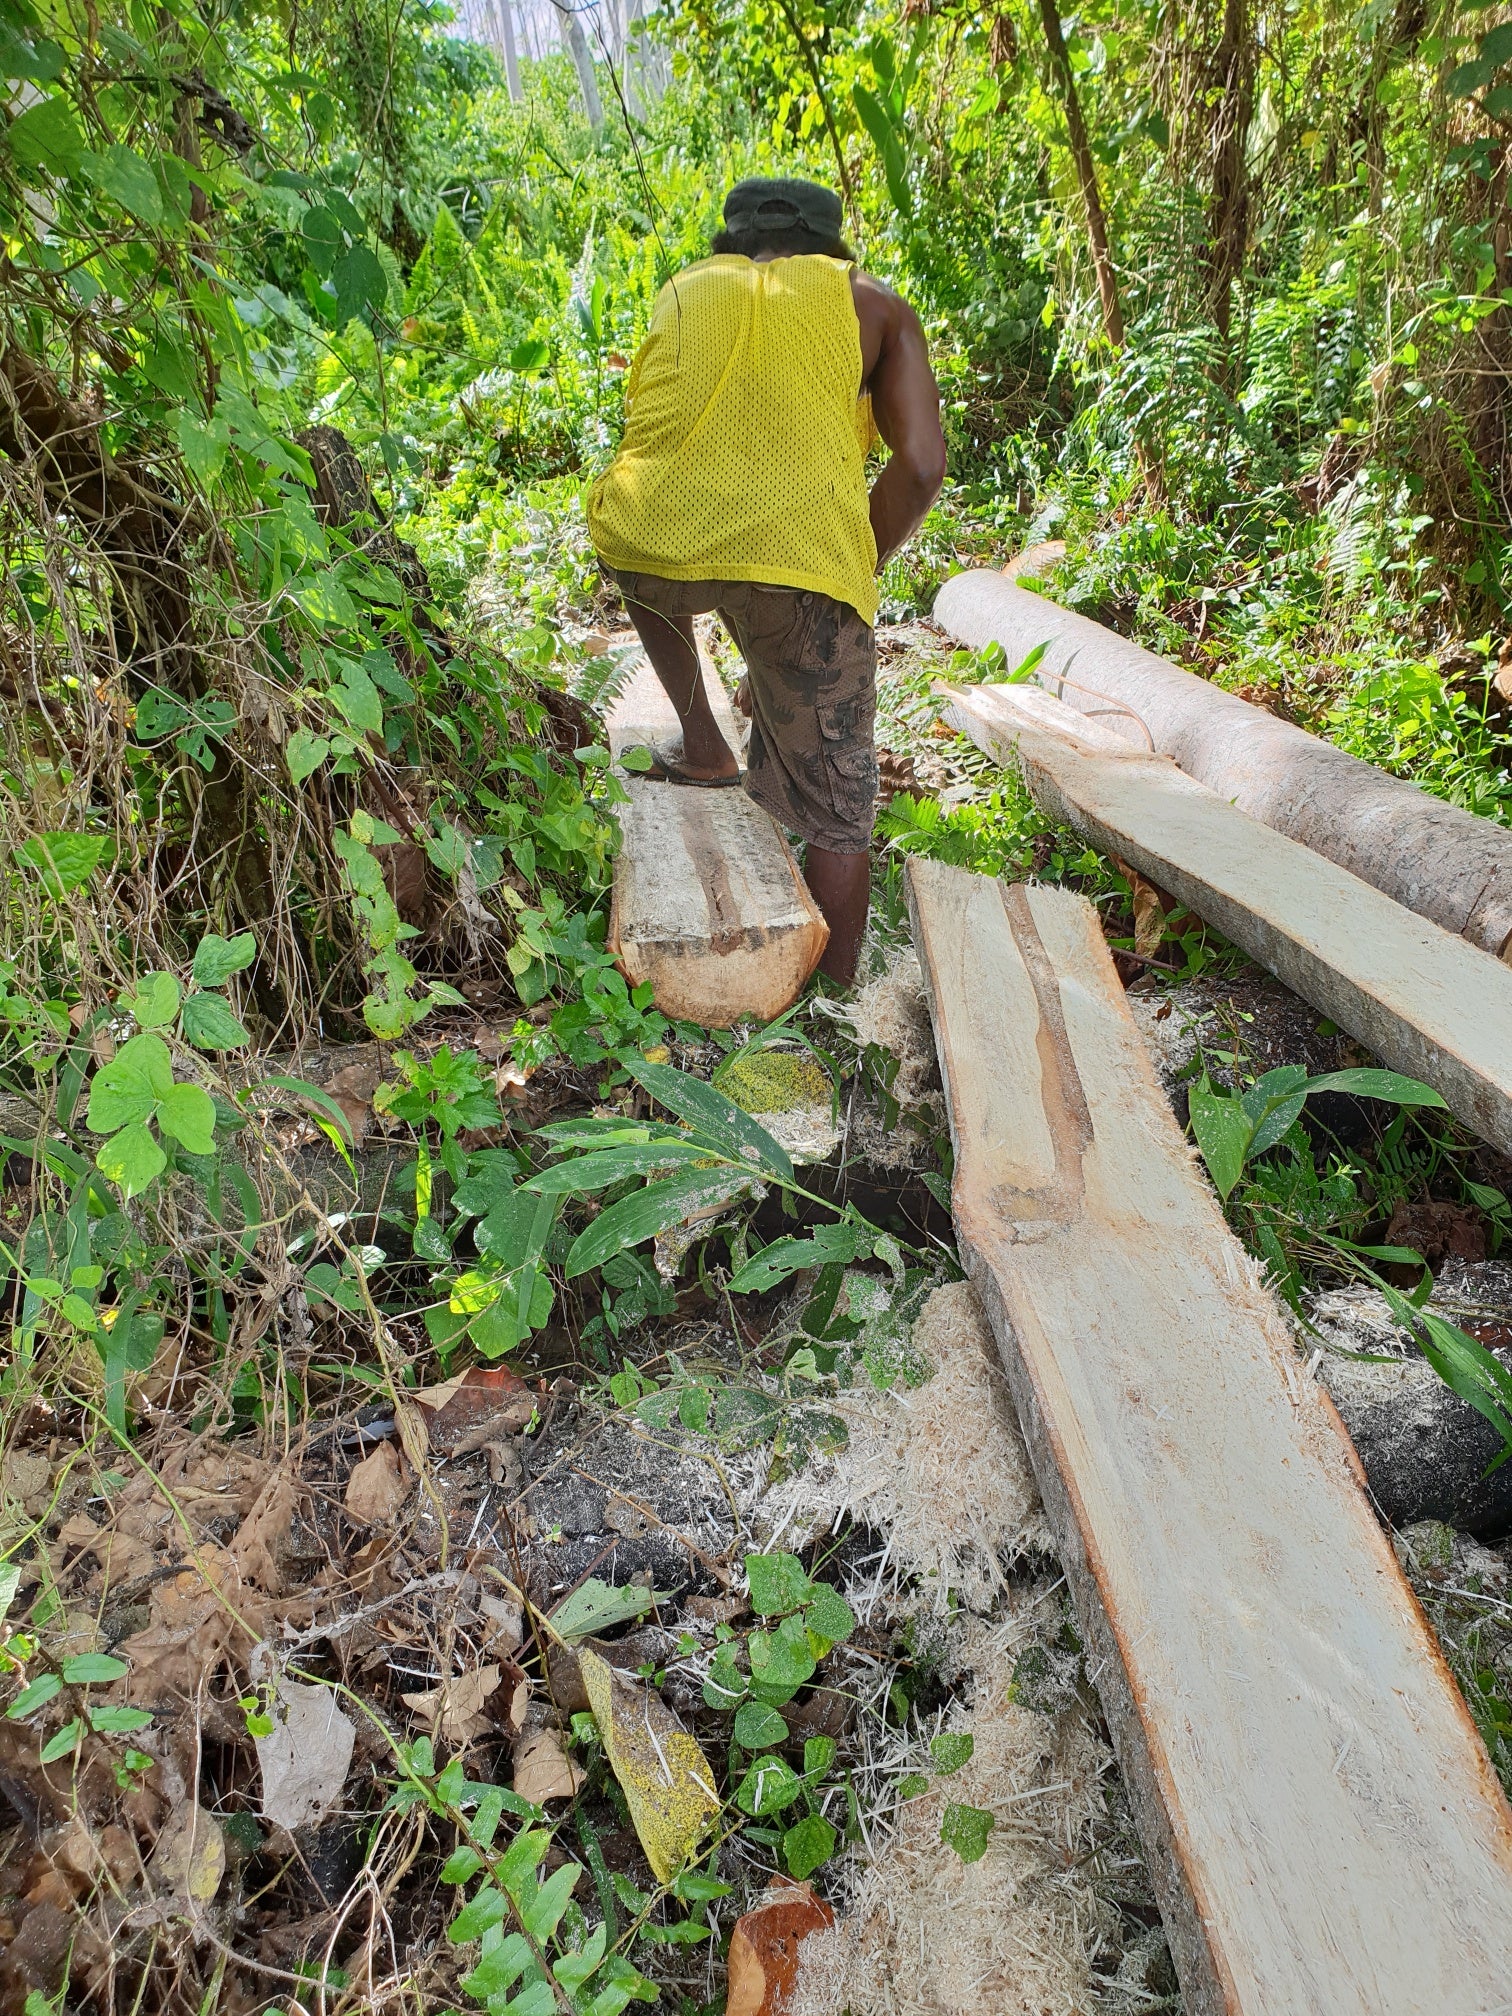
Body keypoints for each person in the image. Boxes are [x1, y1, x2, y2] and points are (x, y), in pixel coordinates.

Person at [587, 176, 946, 987]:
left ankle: (705, 744)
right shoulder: (872, 304)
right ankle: (835, 1011)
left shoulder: (683, 290)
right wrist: (849, 566)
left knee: (642, 543)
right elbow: (921, 465)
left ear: (737, 245)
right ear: (831, 247)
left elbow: (665, 432)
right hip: (801, 565)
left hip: (659, 541)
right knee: (839, 818)